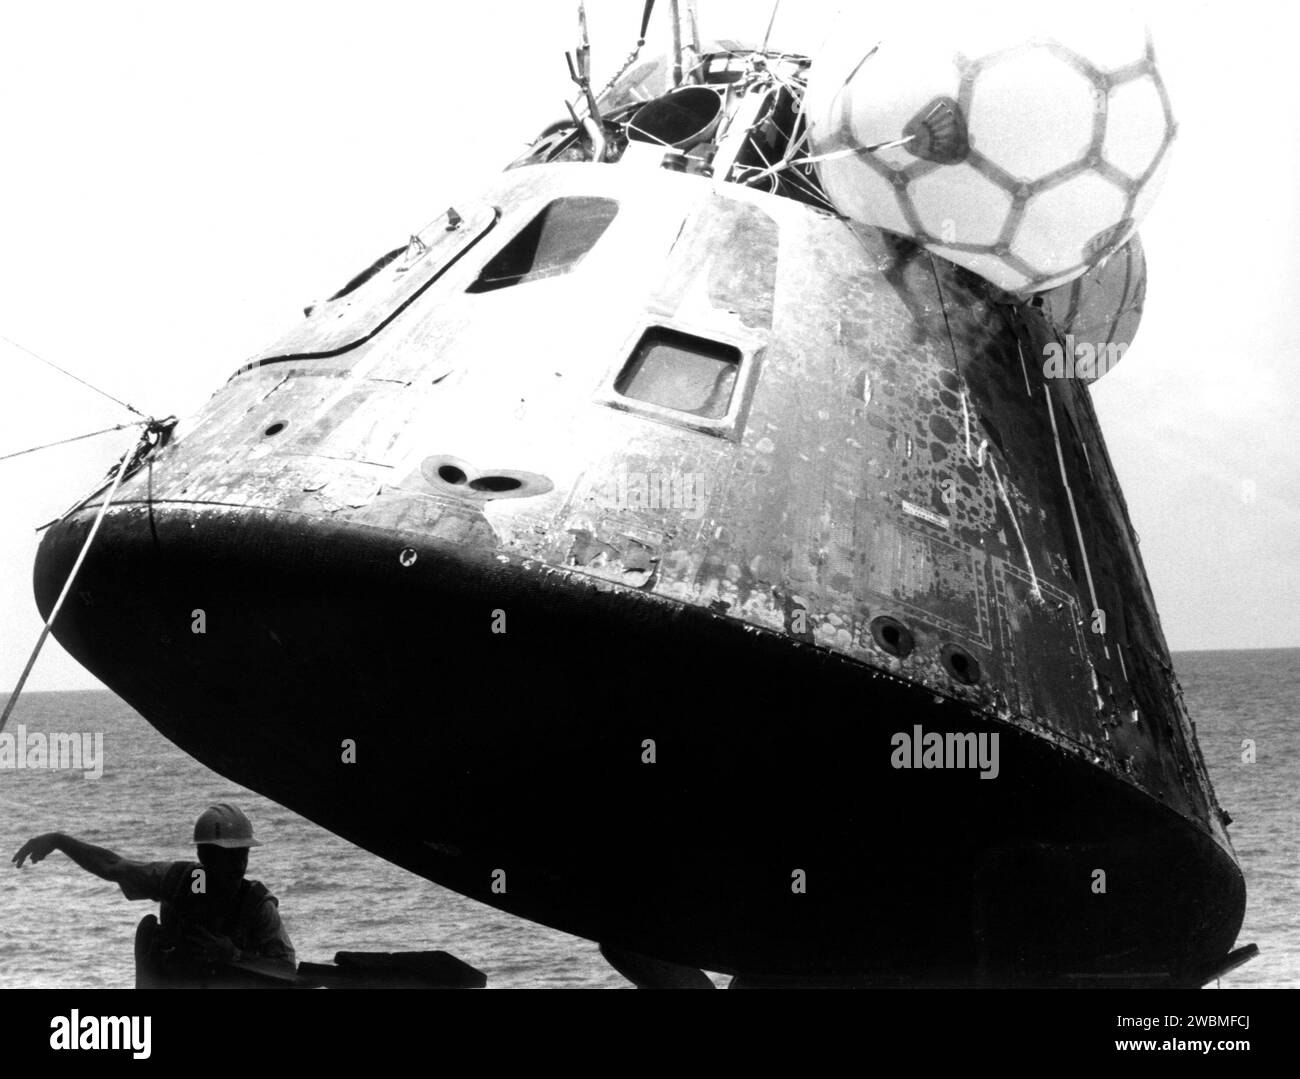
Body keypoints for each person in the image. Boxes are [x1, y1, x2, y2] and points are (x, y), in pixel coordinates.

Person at [13, 803, 296, 980]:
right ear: (204, 855)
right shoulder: (176, 881)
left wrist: (233, 955)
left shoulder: (257, 907)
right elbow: (113, 866)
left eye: (242, 854)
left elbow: (287, 971)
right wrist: (59, 841)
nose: (239, 865)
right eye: (229, 856)